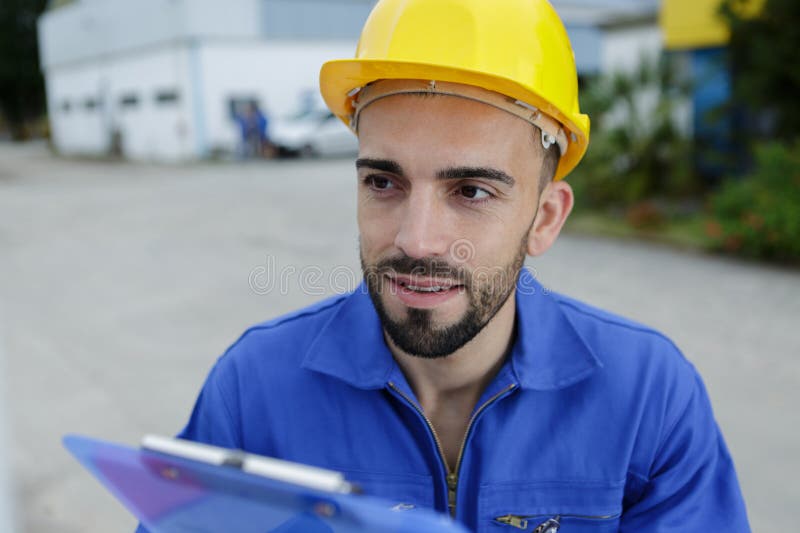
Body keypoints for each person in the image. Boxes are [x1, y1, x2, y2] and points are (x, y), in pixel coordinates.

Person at [139, 0, 750, 531]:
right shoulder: (254, 391)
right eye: (383, 181)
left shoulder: (647, 396)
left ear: (544, 219)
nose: (418, 240)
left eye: (471, 192)